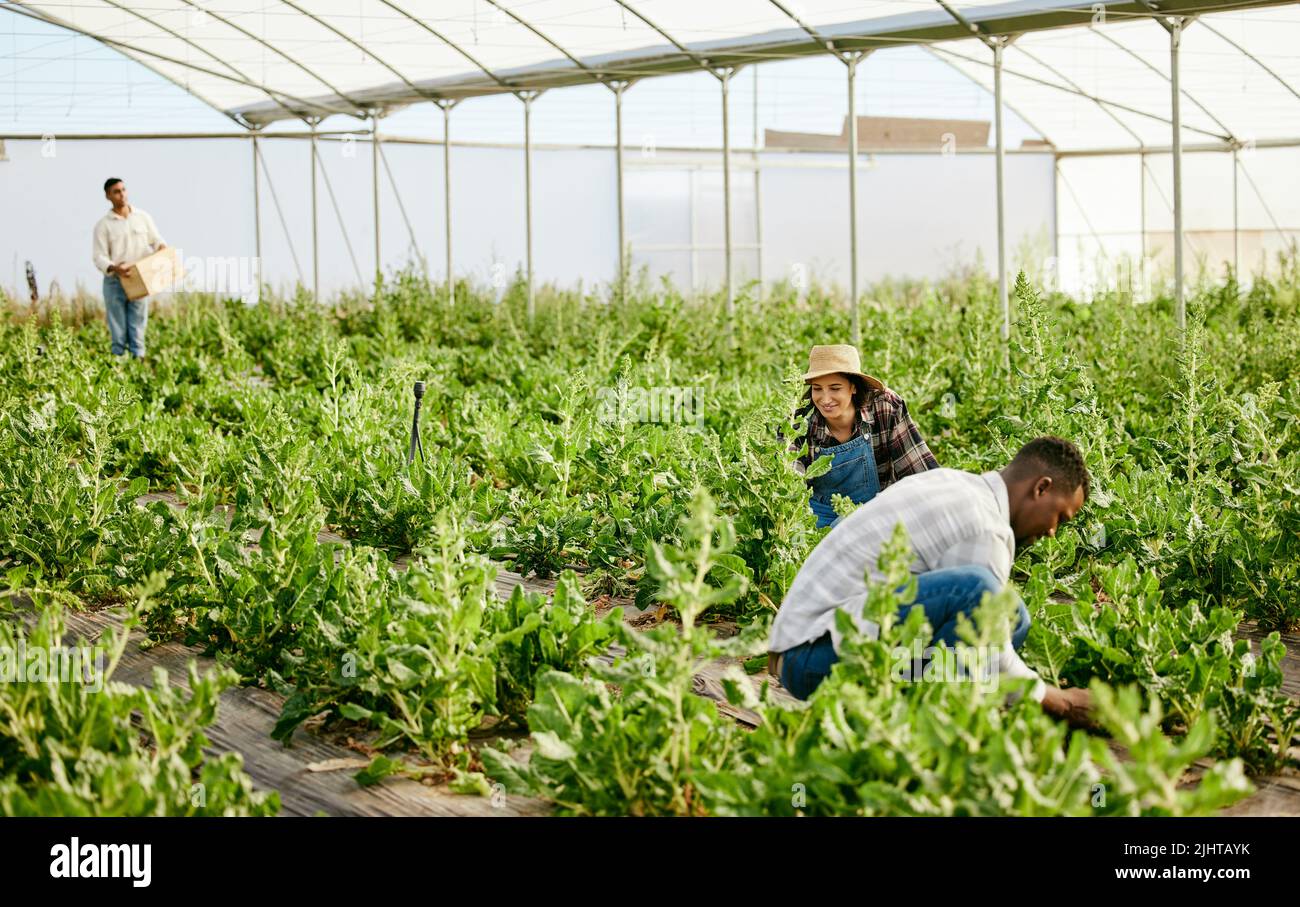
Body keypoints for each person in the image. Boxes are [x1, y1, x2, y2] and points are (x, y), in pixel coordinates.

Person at [768, 435, 1093, 724]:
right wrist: (1058, 701)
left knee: (1012, 616)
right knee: (979, 593)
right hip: (810, 660)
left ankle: (927, 711)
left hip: (812, 646)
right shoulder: (984, 526)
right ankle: (930, 729)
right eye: (1059, 517)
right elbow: (990, 646)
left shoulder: (957, 484)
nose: (1052, 532)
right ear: (1041, 488)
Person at [791, 344, 937, 529]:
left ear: (853, 387)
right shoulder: (799, 422)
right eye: (817, 389)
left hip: (878, 512)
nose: (825, 399)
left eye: (835, 388)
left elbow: (918, 469)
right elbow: (790, 483)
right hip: (818, 519)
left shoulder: (885, 406)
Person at [92, 178, 167, 359]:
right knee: (118, 328)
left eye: (124, 190)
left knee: (138, 324)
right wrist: (115, 268)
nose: (122, 194)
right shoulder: (103, 225)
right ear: (108, 196)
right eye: (116, 191)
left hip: (139, 278)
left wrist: (162, 248)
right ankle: (118, 365)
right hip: (115, 281)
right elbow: (99, 256)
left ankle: (138, 363)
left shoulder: (142, 217)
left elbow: (156, 240)